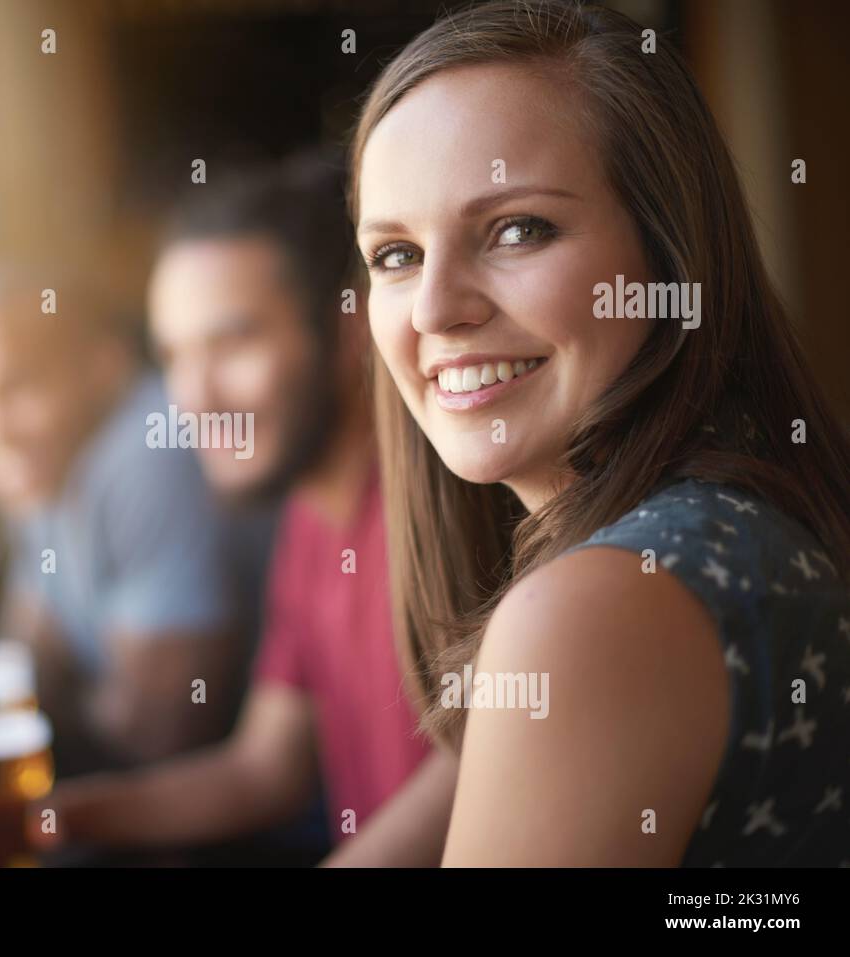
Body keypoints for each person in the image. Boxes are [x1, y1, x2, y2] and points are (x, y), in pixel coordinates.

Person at [353, 0, 850, 866]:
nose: (435, 308)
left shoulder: (600, 608)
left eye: (518, 229)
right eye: (397, 254)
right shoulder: (735, 523)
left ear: (669, 254)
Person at [41, 157, 459, 867]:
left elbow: (466, 782)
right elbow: (264, 768)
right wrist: (52, 820)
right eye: (174, 353)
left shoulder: (442, 508)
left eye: (233, 341)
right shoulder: (309, 512)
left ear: (351, 329)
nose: (193, 397)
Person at [0, 265, 249, 774]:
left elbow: (159, 728)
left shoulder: (145, 453)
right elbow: (32, 647)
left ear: (104, 365)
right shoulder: (44, 470)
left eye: (16, 388)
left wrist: (5, 723)